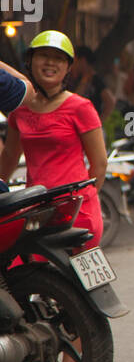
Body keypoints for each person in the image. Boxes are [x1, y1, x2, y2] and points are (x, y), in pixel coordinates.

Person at [0, 31, 106, 249]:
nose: (50, 62)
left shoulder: (81, 107)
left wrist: (84, 200)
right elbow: (10, 156)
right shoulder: (19, 111)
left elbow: (100, 164)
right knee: (25, 278)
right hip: (36, 213)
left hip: (77, 211)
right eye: (43, 56)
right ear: (30, 61)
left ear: (68, 68)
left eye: (58, 58)